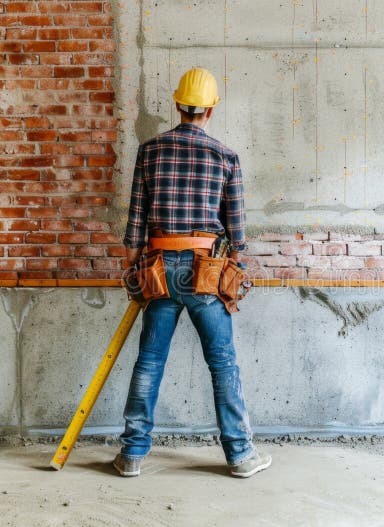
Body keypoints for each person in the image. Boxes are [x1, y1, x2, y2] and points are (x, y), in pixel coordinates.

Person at [114, 67, 271, 479]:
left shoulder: (149, 152)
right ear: (210, 109)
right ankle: (240, 456)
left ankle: (132, 454)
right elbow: (236, 234)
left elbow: (135, 224)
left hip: (159, 269)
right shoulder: (225, 156)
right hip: (206, 271)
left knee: (149, 361)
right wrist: (236, 266)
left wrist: (131, 271)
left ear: (178, 104)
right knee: (223, 364)